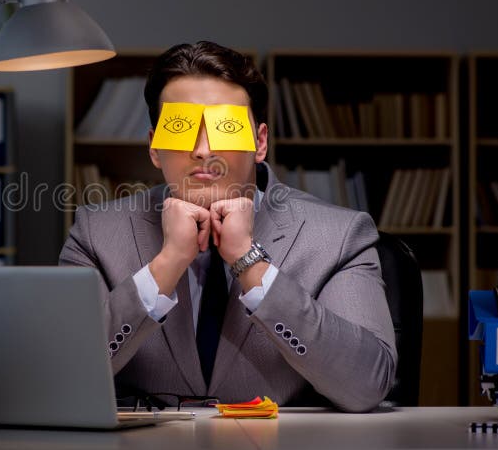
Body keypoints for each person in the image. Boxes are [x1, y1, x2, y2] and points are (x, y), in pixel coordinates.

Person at [59, 41, 396, 412]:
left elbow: (367, 385)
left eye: (226, 128)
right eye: (181, 129)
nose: (204, 150)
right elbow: (59, 375)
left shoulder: (339, 237)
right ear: (154, 147)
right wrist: (165, 266)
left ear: (260, 142)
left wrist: (251, 263)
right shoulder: (96, 234)